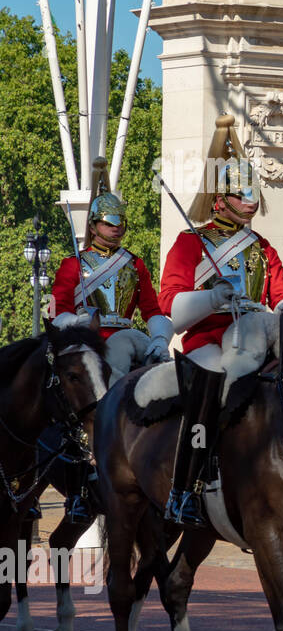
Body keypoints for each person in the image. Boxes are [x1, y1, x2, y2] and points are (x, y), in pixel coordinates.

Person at [159, 114, 283, 527]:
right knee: (207, 388)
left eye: (254, 193)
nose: (252, 201)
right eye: (243, 194)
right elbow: (171, 303)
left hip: (256, 335)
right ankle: (186, 488)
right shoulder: (191, 243)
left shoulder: (263, 247)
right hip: (208, 341)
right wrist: (211, 297)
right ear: (220, 200)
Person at [49, 156, 173, 523]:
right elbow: (59, 309)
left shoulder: (135, 264)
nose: (117, 230)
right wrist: (80, 323)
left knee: (169, 380)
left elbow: (151, 309)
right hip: (90, 343)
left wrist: (159, 338)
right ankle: (83, 478)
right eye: (109, 223)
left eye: (120, 224)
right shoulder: (74, 264)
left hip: (130, 337)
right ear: (94, 225)